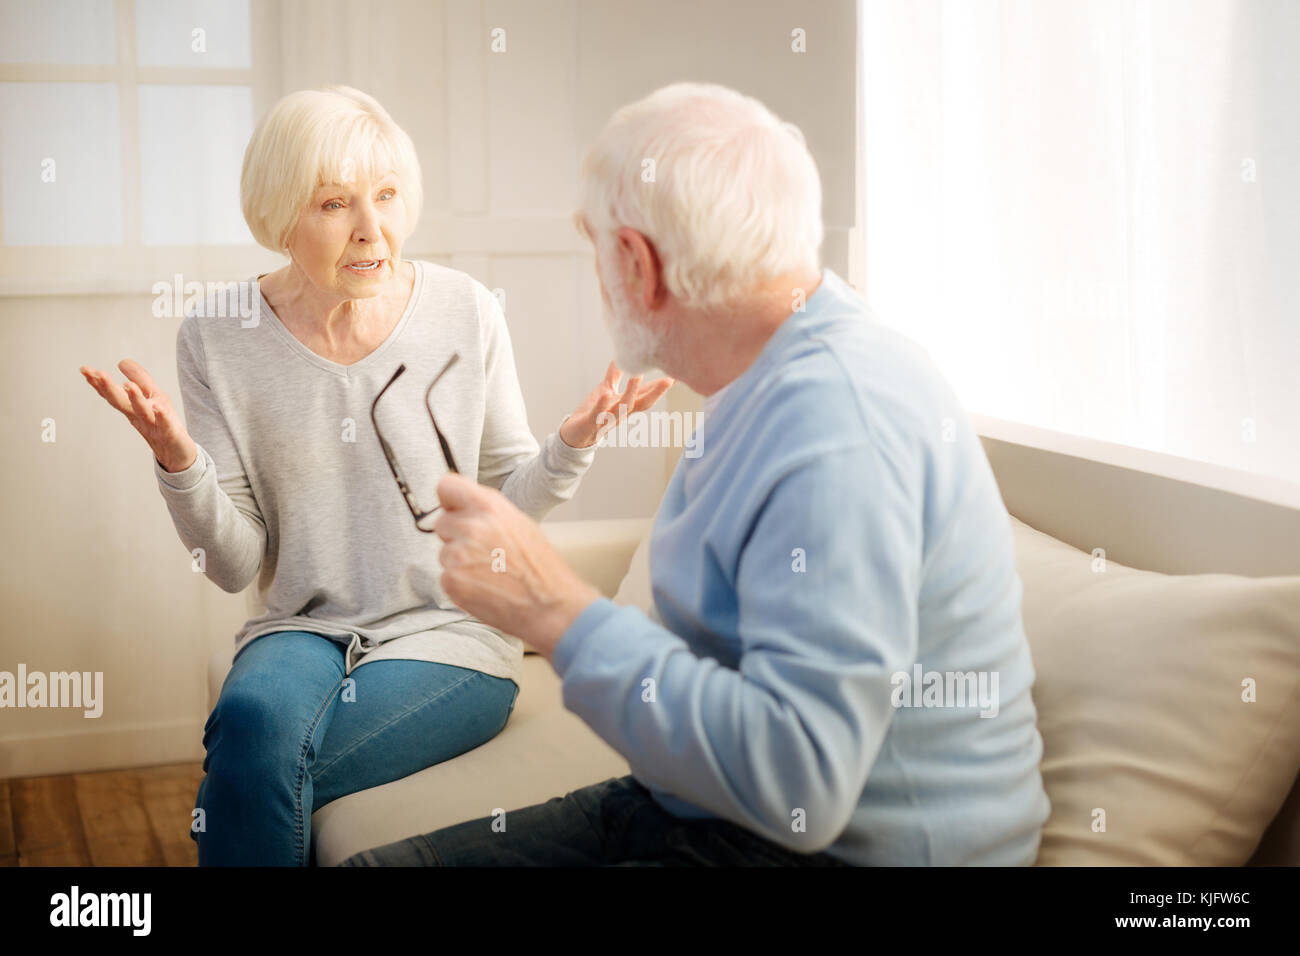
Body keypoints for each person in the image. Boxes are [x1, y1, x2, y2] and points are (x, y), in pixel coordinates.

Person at [340, 81, 1052, 867]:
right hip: (696, 811)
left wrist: (556, 609)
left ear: (638, 264)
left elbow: (801, 787)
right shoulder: (768, 370)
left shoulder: (837, 422)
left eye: (595, 245)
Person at [79, 85, 671, 866]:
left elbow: (503, 511)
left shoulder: (465, 311)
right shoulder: (218, 337)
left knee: (250, 775)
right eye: (334, 204)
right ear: (280, 214)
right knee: (253, 722)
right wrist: (179, 463)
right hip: (300, 628)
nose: (373, 230)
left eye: (387, 196)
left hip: (451, 632)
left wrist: (571, 443)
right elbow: (230, 566)